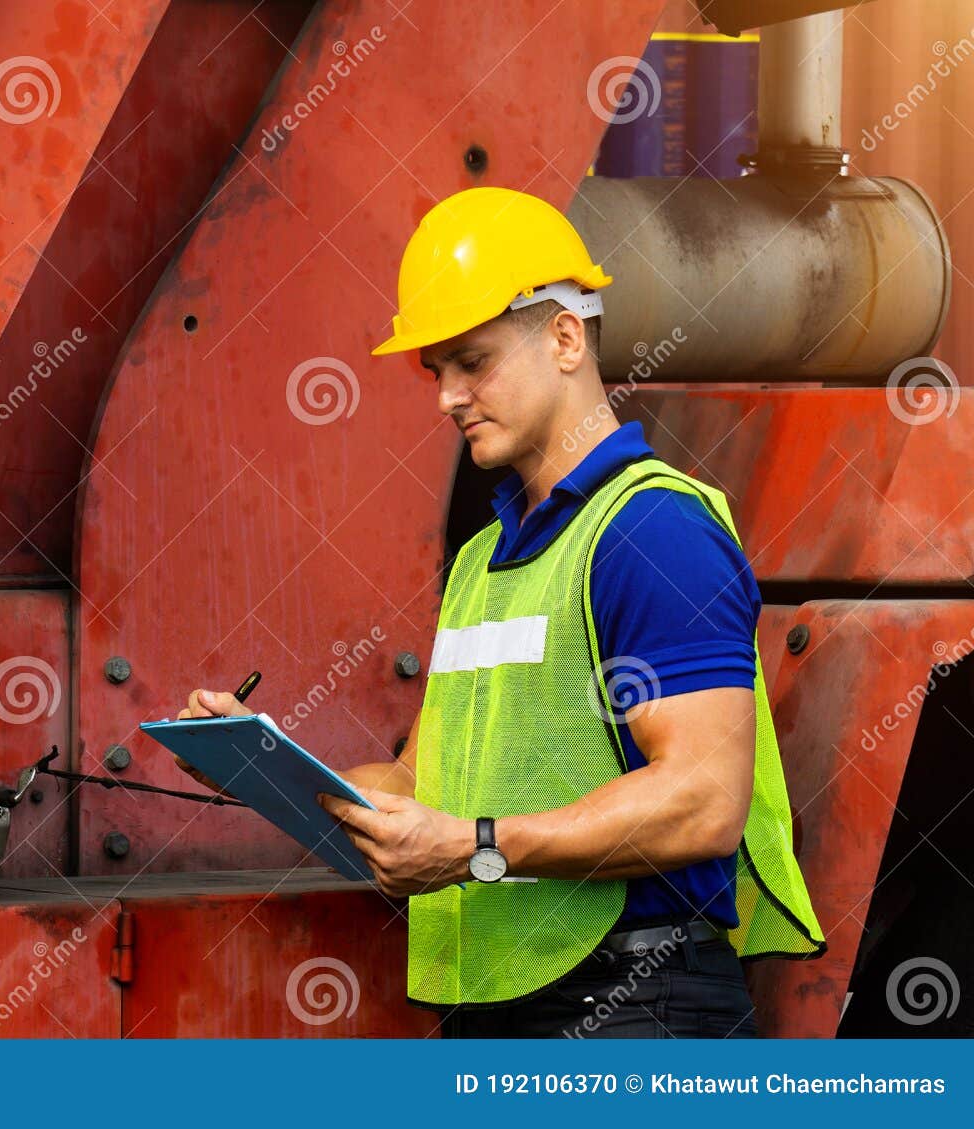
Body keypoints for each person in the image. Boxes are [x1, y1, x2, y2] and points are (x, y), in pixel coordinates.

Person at [177, 187, 824, 1038]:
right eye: (435, 371)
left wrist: (477, 844)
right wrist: (259, 762)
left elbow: (703, 799)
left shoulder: (652, 529)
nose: (447, 396)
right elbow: (420, 786)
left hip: (637, 1008)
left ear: (563, 336)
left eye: (472, 361)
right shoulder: (483, 560)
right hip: (505, 1008)